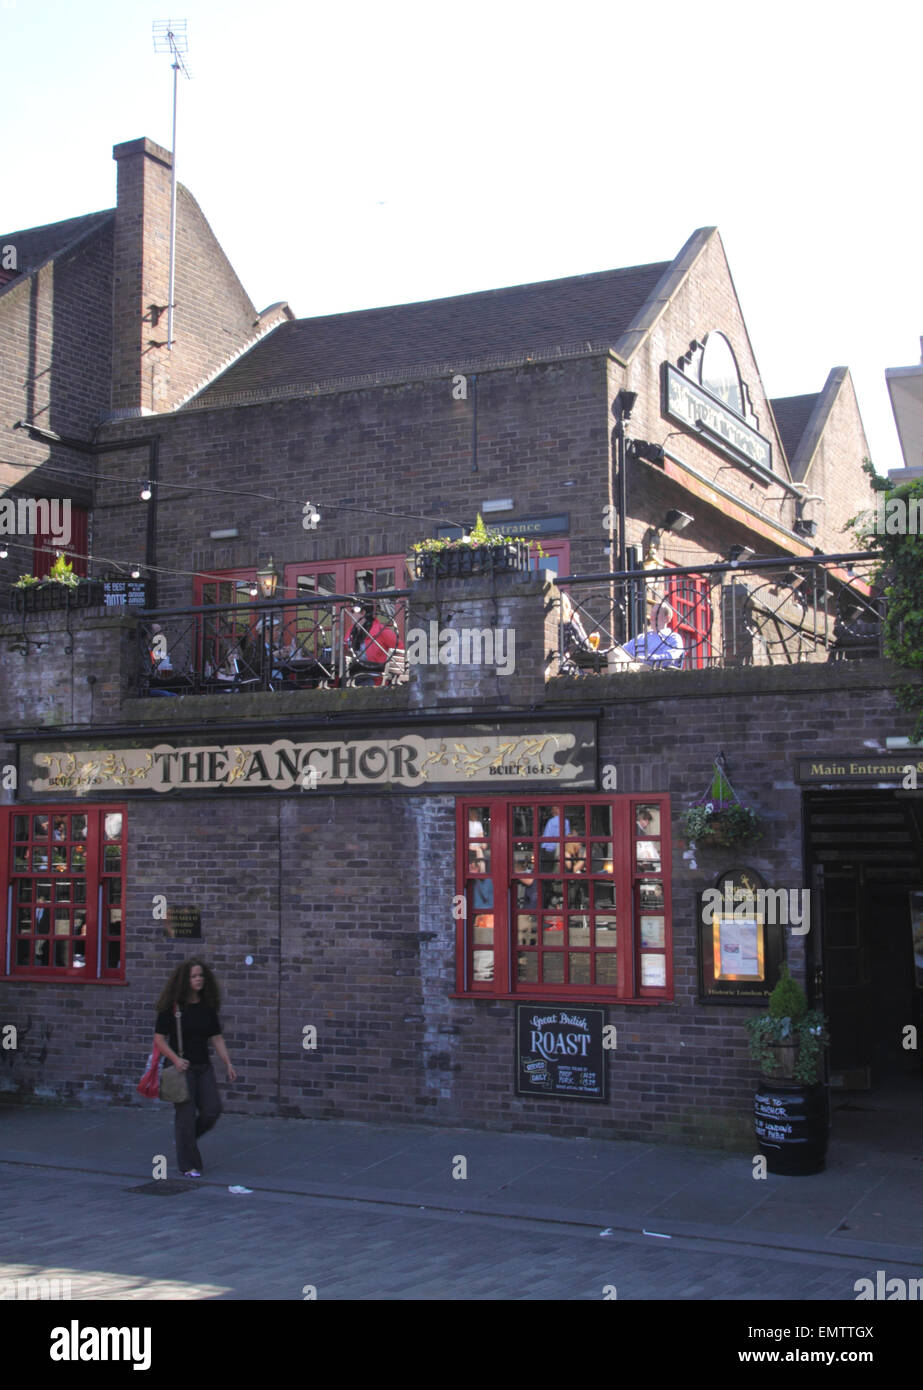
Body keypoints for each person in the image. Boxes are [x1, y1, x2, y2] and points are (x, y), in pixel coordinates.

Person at [153, 959, 237, 1178]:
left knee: (212, 1110)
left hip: (203, 1066)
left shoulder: (207, 1006)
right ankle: (189, 1165)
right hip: (182, 1068)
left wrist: (228, 1063)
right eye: (193, 976)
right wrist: (176, 1059)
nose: (198, 979)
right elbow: (159, 1039)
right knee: (186, 1117)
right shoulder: (172, 1007)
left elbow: (216, 1037)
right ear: (184, 980)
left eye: (200, 975)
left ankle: (184, 1139)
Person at [619, 600, 685, 669]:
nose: (652, 616)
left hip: (654, 671)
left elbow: (670, 657)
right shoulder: (641, 637)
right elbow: (622, 650)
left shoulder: (673, 638)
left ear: (666, 618)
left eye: (656, 613)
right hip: (630, 667)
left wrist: (645, 659)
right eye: (652, 613)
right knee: (613, 654)